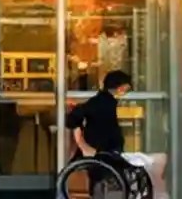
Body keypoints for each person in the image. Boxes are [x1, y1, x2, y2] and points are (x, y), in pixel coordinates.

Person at [67, 70, 168, 199]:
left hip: (102, 149)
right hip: (104, 149)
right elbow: (74, 118)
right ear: (119, 87)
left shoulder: (99, 101)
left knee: (102, 176)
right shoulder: (105, 103)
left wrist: (80, 134)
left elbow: (74, 117)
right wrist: (81, 140)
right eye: (126, 88)